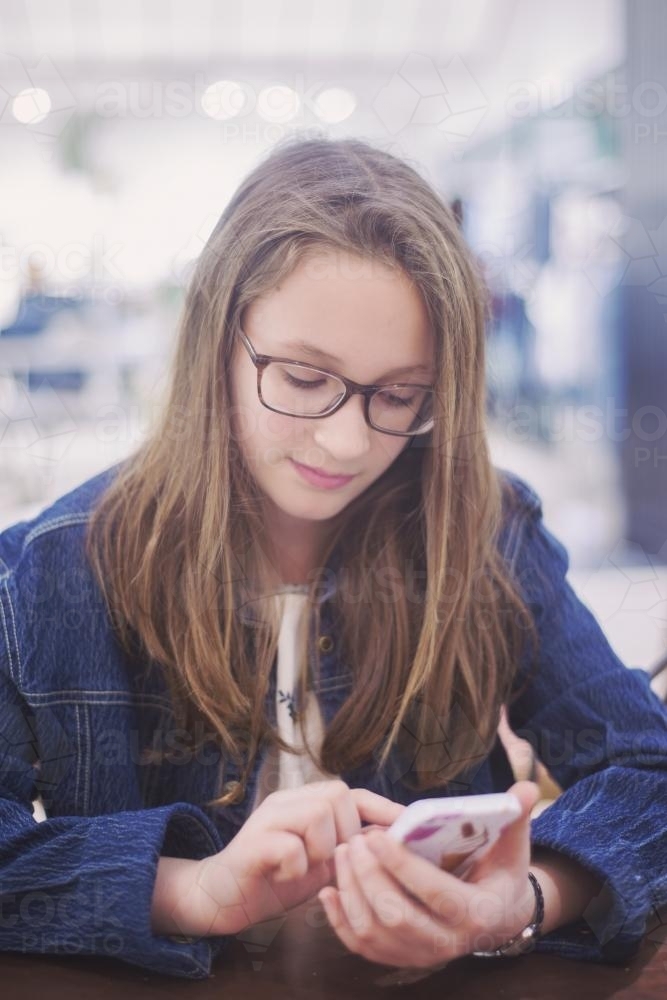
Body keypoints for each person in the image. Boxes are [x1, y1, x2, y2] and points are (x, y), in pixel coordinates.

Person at [0, 135, 665, 981]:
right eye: (305, 379)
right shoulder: (51, 574)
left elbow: (647, 767)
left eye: (399, 396)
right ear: (218, 342)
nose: (347, 441)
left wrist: (524, 900)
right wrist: (193, 889)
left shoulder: (487, 532)